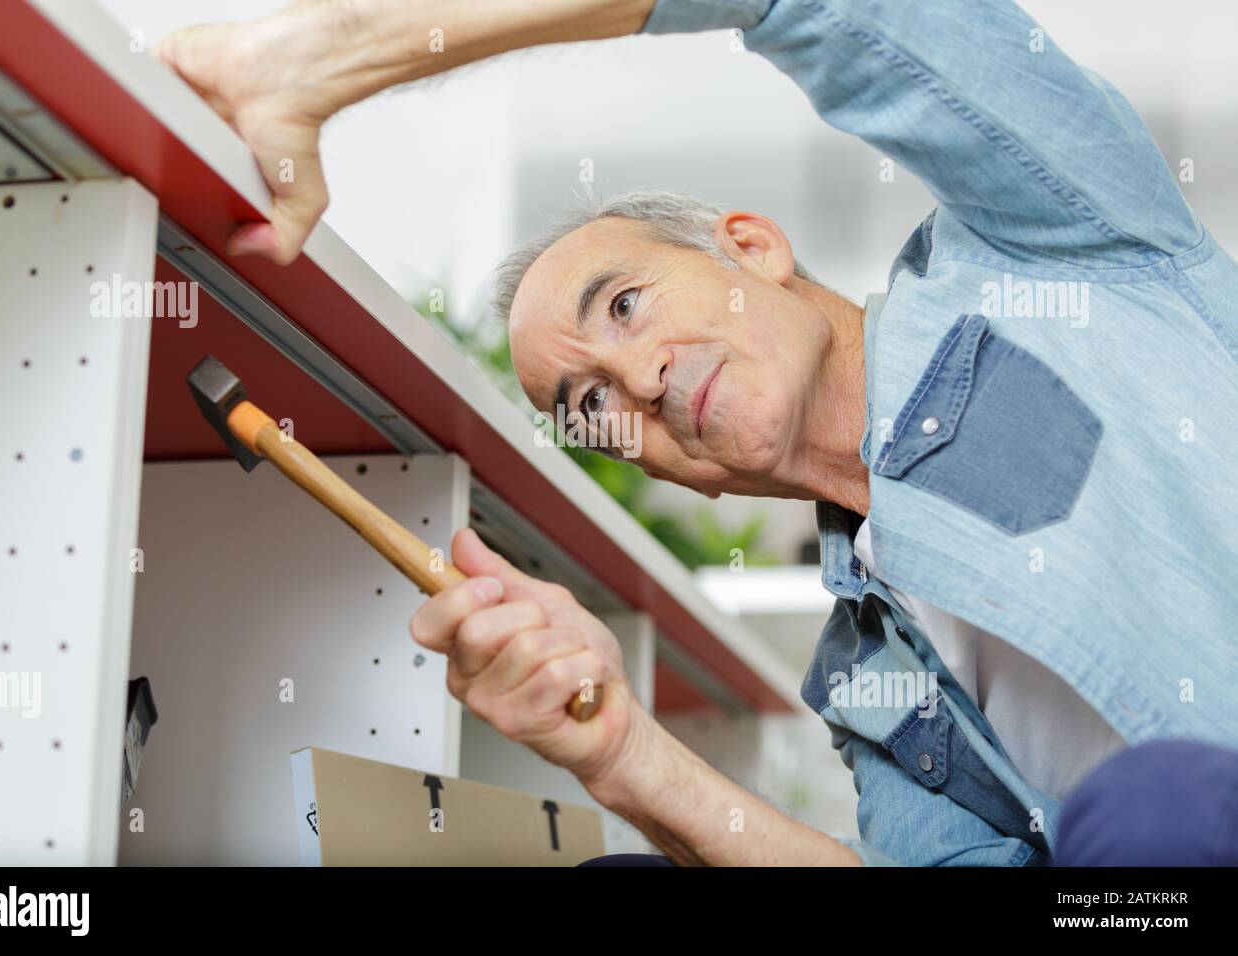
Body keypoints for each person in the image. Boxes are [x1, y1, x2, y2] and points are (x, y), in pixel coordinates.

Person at [158, 0, 1238, 865]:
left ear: (751, 246)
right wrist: (624, 752)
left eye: (624, 304)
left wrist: (330, 55)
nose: (638, 378)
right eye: (590, 409)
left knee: (1157, 806)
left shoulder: (1055, 252)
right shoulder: (869, 680)